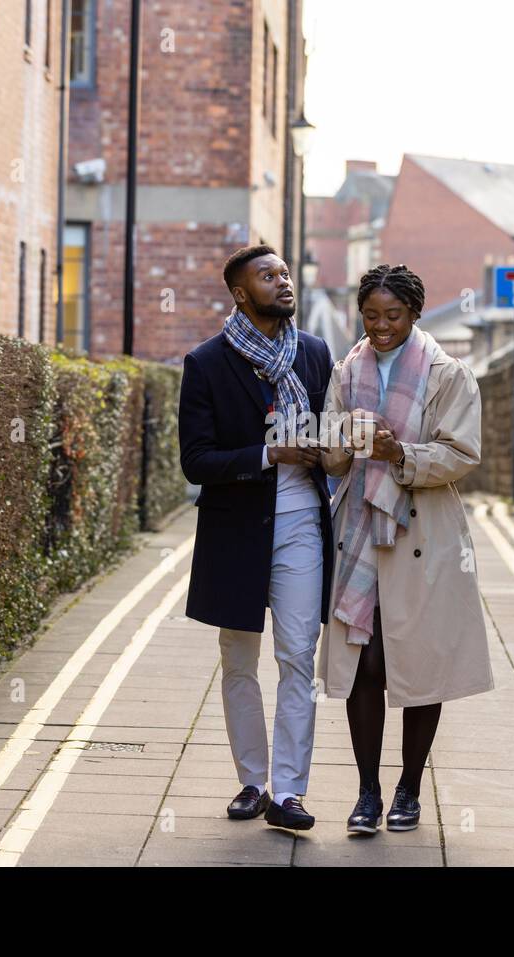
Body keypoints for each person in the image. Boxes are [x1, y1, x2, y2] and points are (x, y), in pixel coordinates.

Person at [318, 263, 493, 834]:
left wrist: (400, 454)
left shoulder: (449, 375)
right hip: (360, 533)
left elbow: (462, 454)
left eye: (392, 315)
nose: (380, 326)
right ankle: (367, 791)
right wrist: (345, 442)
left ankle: (409, 789)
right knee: (365, 662)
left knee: (419, 664)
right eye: (370, 315)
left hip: (425, 535)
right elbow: (329, 449)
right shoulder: (347, 369)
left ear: (415, 313)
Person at [178, 245, 335, 831]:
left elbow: (333, 430)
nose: (283, 281)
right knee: (238, 660)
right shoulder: (207, 363)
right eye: (268, 276)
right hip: (237, 529)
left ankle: (289, 792)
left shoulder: (317, 354)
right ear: (241, 293)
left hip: (302, 526)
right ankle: (252, 781)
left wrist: (336, 448)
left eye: (286, 273)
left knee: (298, 657)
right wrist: (271, 453)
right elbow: (197, 461)